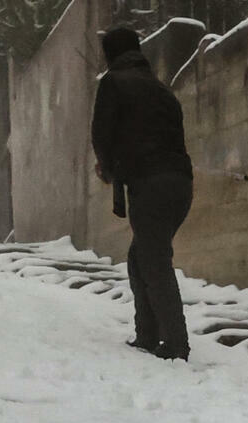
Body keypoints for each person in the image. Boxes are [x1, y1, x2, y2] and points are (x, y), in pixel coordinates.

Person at [90, 25, 194, 361]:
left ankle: (176, 344)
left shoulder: (114, 83)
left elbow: (101, 134)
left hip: (150, 183)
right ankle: (148, 334)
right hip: (180, 185)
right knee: (141, 257)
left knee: (154, 261)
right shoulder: (162, 90)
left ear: (111, 54)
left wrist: (107, 169)